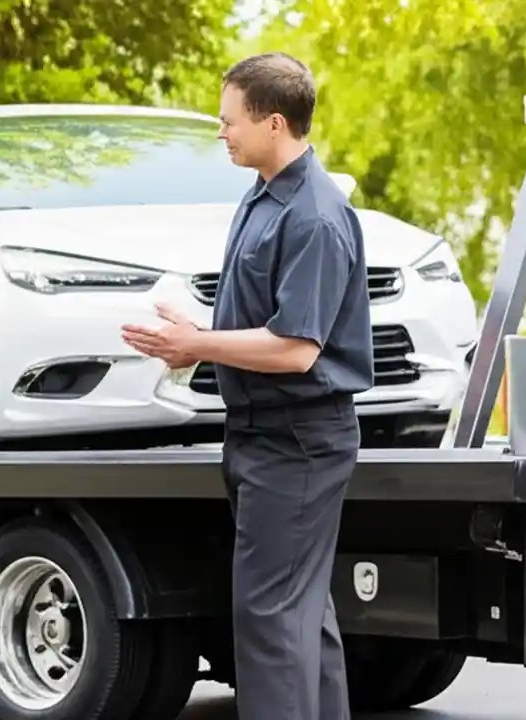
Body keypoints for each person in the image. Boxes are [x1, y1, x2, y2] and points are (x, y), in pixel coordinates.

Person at [121, 52, 373, 720]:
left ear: (275, 123)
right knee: (299, 618)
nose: (222, 132)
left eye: (230, 120)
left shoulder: (315, 217)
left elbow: (296, 350)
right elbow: (271, 327)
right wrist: (198, 328)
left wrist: (196, 345)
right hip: (263, 437)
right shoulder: (263, 196)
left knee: (270, 624)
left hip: (296, 443)